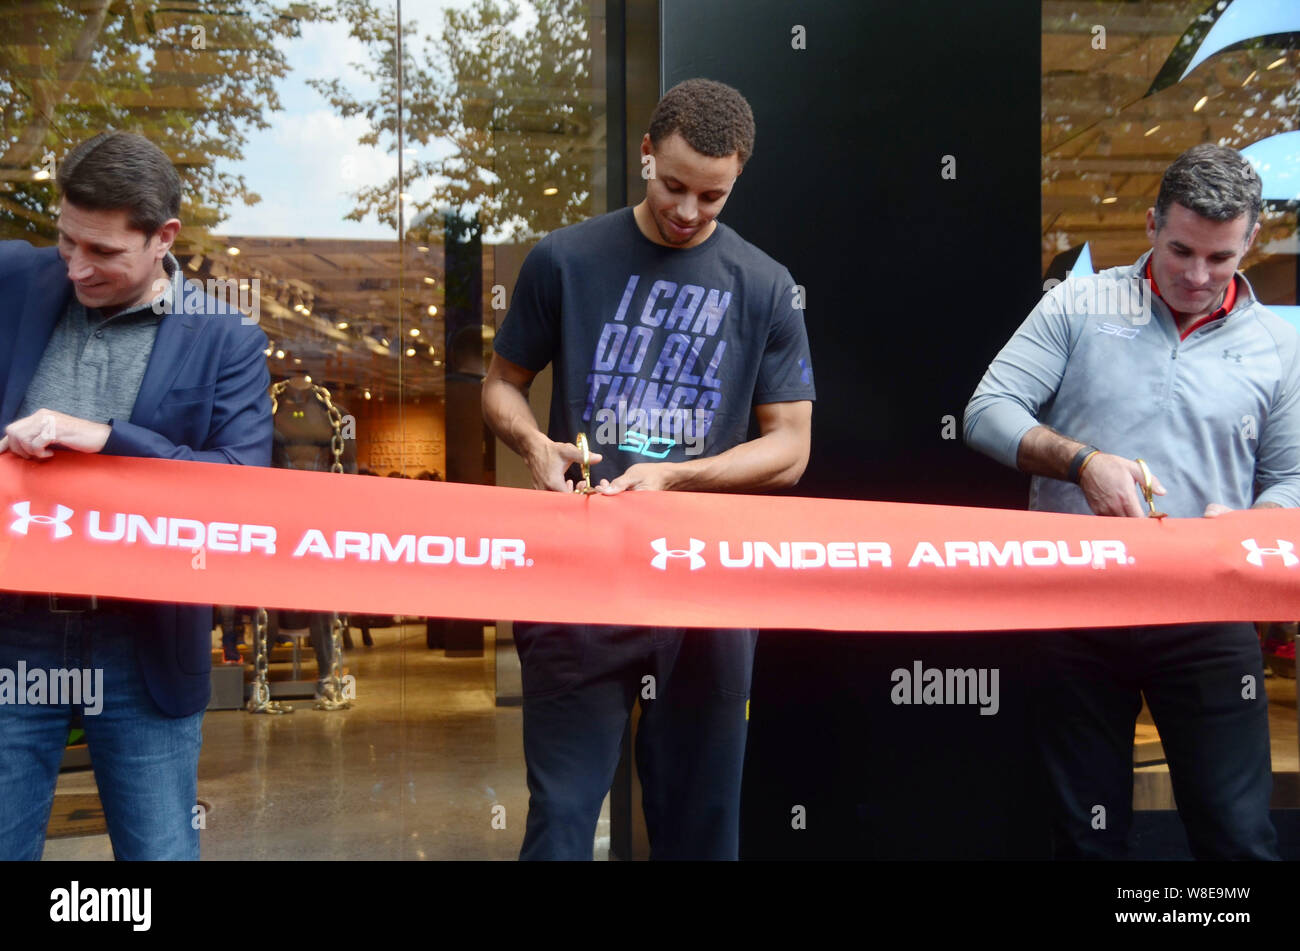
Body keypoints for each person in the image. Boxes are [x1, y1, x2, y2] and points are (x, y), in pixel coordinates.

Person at [483, 78, 815, 860]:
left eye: (713, 195)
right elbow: (502, 384)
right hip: (579, 587)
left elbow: (791, 447)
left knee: (701, 835)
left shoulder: (765, 284)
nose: (689, 210)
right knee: (561, 826)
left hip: (706, 592)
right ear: (644, 156)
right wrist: (535, 445)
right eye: (674, 185)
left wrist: (677, 476)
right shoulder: (564, 258)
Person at [964, 143, 1299, 859]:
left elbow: (1292, 478)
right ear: (1151, 224)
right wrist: (1081, 462)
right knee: (1085, 840)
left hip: (1209, 611)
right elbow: (988, 410)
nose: (1198, 275)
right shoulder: (1080, 304)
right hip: (1076, 606)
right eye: (1181, 250)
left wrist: (1251, 526)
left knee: (1239, 838)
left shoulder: (1279, 344)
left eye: (1221, 258)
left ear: (1248, 245)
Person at [0, 131, 272, 859]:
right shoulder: (12, 279)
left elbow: (242, 491)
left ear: (164, 239)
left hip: (142, 643)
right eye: (66, 241)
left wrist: (109, 438)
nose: (77, 267)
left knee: (156, 855)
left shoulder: (227, 337)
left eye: (104, 254)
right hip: (12, 628)